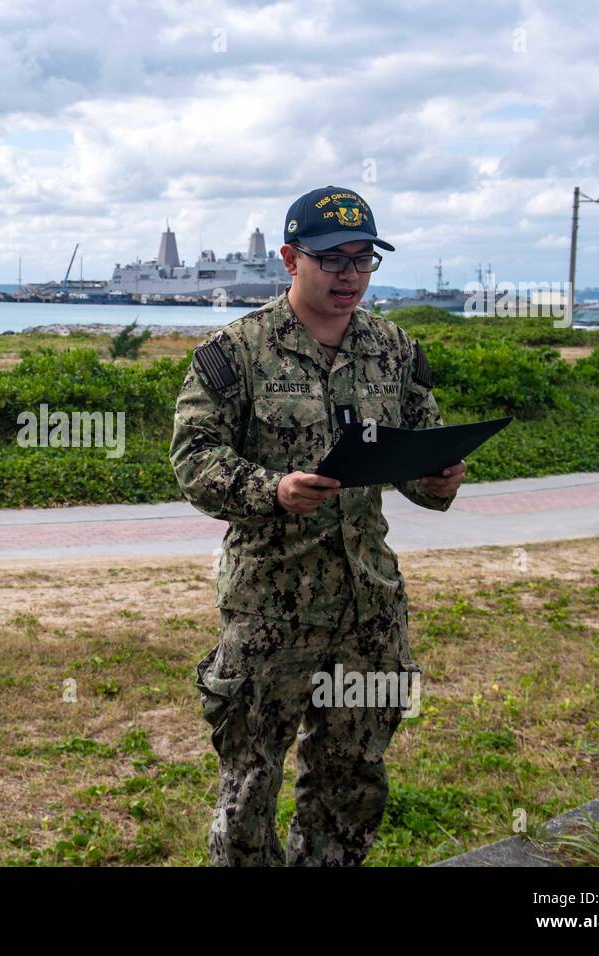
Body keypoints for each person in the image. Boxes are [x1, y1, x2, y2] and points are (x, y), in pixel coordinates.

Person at [170, 186, 466, 866]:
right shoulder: (234, 353)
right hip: (271, 608)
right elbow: (193, 460)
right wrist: (270, 489)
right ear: (288, 259)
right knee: (250, 783)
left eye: (364, 259)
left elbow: (419, 451)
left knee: (352, 779)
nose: (350, 275)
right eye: (332, 259)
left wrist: (437, 478)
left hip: (367, 608)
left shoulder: (393, 350)